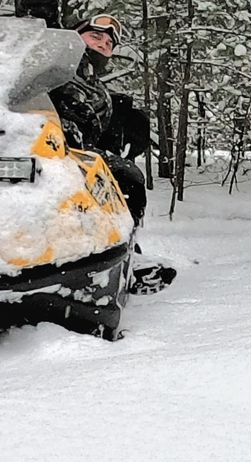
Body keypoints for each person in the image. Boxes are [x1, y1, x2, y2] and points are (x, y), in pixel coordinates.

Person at [53, 14, 172, 290]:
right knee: (125, 178)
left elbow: (94, 123)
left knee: (125, 178)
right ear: (73, 36)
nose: (102, 46)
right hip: (43, 146)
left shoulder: (94, 85)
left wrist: (126, 118)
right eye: (95, 37)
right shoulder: (55, 64)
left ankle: (121, 252)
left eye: (108, 44)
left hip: (73, 152)